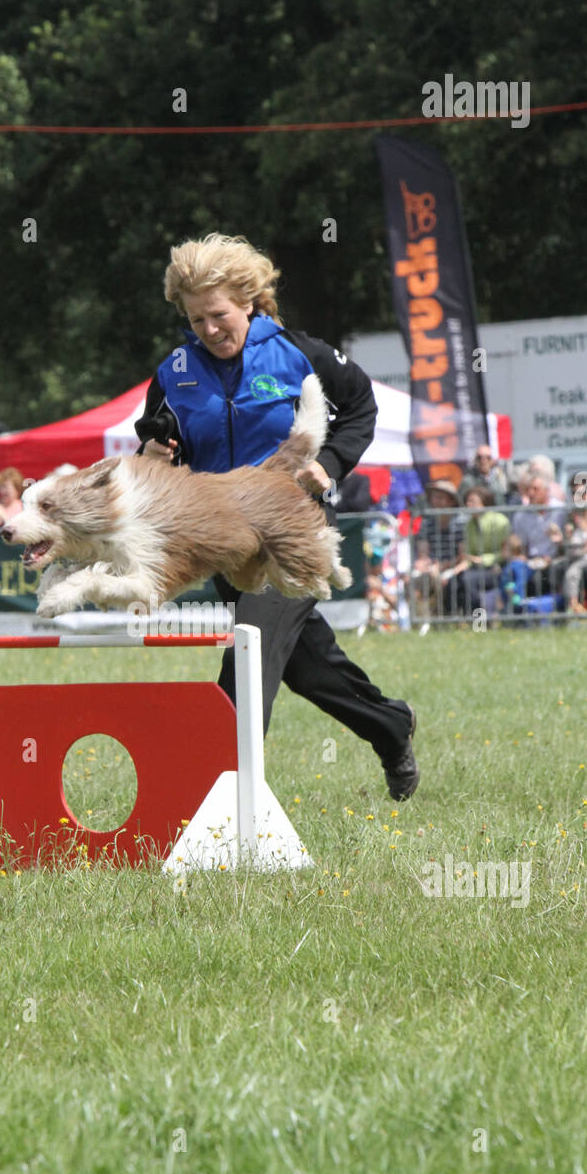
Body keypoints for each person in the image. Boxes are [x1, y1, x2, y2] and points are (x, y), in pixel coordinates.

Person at [133, 232, 418, 800]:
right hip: (224, 541)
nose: (209, 331)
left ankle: (217, 796)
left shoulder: (297, 352)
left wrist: (331, 464)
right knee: (308, 667)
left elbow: (360, 404)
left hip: (293, 533)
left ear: (247, 302)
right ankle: (390, 725)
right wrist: (153, 455)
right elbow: (155, 440)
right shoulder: (175, 371)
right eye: (196, 320)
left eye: (218, 316)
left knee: (251, 648)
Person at [410, 480, 465, 618]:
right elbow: (423, 553)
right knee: (411, 580)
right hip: (433, 567)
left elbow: (463, 555)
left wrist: (443, 566)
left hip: (455, 567)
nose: (435, 501)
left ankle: (443, 618)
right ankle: (419, 620)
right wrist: (426, 565)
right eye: (434, 497)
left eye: (440, 498)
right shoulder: (426, 523)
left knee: (445, 581)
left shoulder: (461, 523)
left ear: (451, 501)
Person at [455, 486, 512, 614]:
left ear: (484, 502)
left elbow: (505, 552)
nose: (468, 504)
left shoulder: (499, 521)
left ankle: (480, 618)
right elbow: (469, 554)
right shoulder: (470, 525)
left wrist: (483, 560)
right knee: (456, 579)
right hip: (477, 568)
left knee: (468, 579)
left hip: (498, 567)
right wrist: (461, 566)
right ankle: (457, 621)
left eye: (472, 501)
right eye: (467, 501)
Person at [510, 475, 567, 595]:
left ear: (546, 491)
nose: (531, 493)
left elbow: (567, 542)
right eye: (528, 489)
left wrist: (560, 543)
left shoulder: (561, 511)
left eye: (535, 489)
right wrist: (523, 557)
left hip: (556, 559)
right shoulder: (521, 515)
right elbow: (520, 545)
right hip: (531, 560)